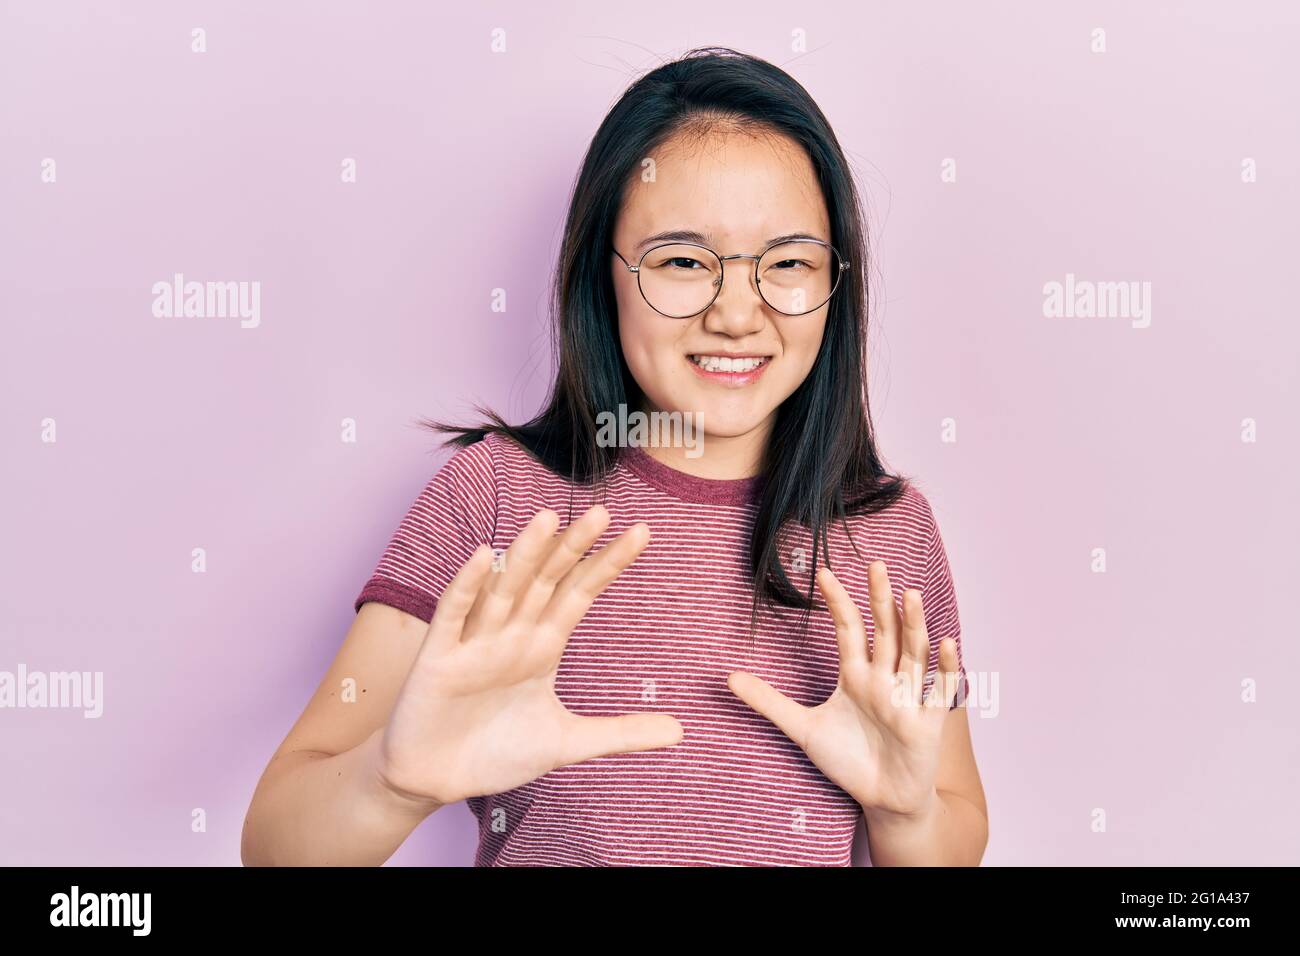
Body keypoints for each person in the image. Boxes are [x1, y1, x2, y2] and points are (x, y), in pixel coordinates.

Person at [241, 46, 988, 867]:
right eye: (681, 262)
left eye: (788, 264)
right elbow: (277, 846)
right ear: (605, 277)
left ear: (835, 282)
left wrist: (906, 818)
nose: (738, 314)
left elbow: (954, 831)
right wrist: (393, 783)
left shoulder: (891, 532)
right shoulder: (494, 495)